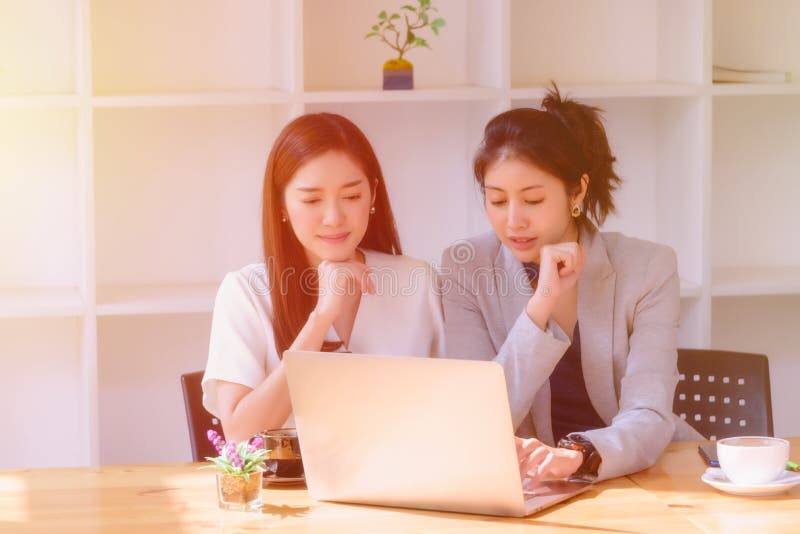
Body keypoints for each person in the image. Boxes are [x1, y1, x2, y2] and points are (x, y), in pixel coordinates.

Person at [440, 86, 702, 484]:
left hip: (639, 471)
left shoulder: (648, 267)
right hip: (529, 482)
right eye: (496, 201)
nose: (513, 221)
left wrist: (580, 454)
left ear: (576, 190)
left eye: (532, 200)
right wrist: (542, 304)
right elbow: (476, 421)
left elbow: (649, 413)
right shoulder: (465, 268)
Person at [203, 113, 445, 442]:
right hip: (291, 491)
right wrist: (321, 319)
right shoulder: (246, 292)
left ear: (373, 195)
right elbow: (240, 434)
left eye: (351, 196)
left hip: (404, 488)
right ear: (282, 204)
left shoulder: (417, 281)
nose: (334, 218)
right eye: (312, 200)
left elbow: (453, 411)